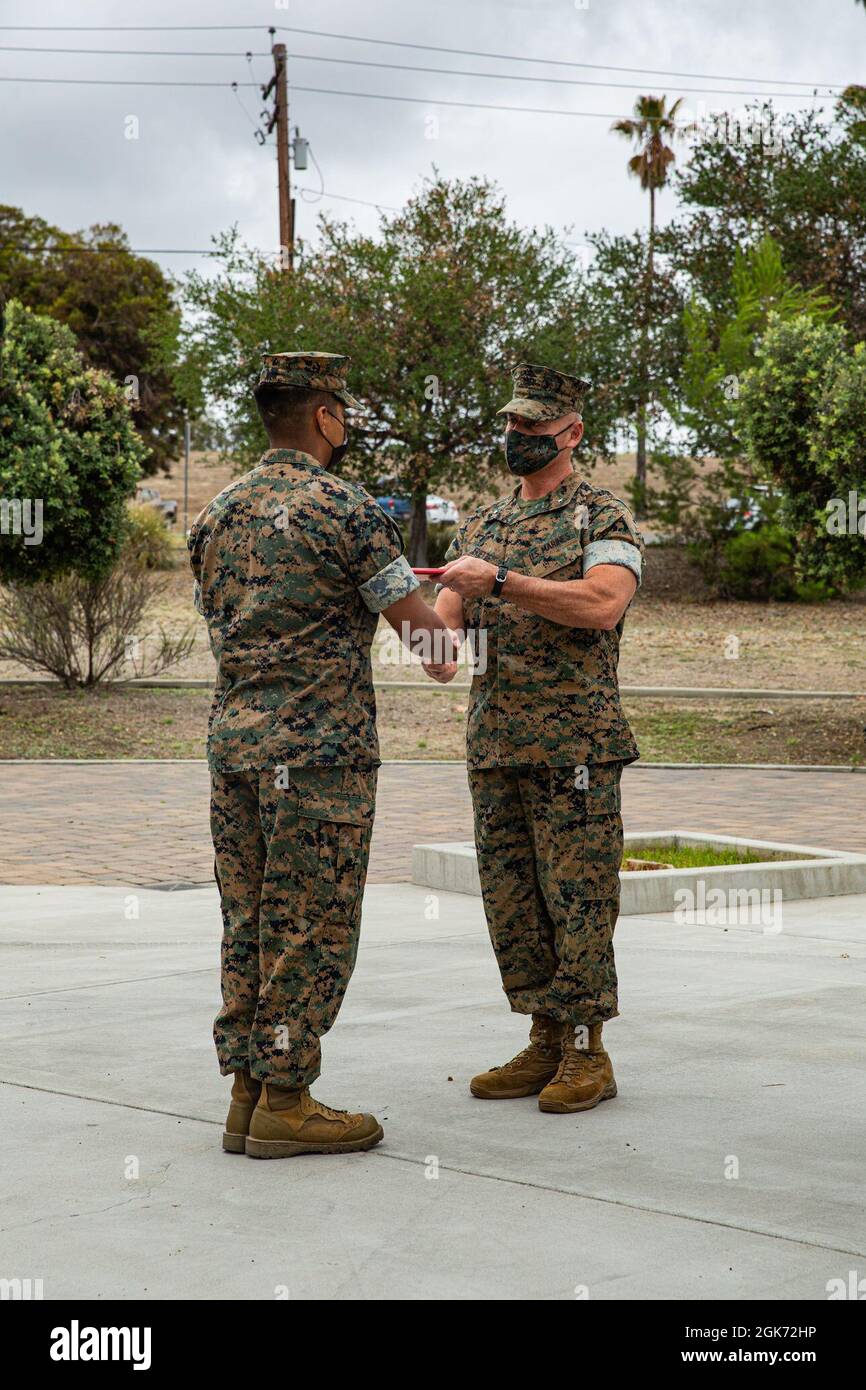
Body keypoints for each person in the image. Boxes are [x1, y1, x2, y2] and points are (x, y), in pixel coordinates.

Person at [190, 351, 456, 1157]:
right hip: (318, 757)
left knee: (248, 920)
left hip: (234, 748)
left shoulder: (216, 515)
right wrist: (460, 591)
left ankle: (246, 1090)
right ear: (326, 417)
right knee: (310, 923)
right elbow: (433, 648)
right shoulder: (346, 511)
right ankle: (288, 1099)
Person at [424, 362, 644, 1114]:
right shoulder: (483, 526)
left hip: (576, 747)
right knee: (514, 902)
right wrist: (395, 593)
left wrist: (506, 584)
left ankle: (589, 1051)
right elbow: (441, 658)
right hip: (497, 747)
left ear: (571, 432)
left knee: (579, 898)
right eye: (512, 425)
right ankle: (545, 1038)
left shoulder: (600, 517)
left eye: (534, 426)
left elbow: (603, 605)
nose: (518, 436)